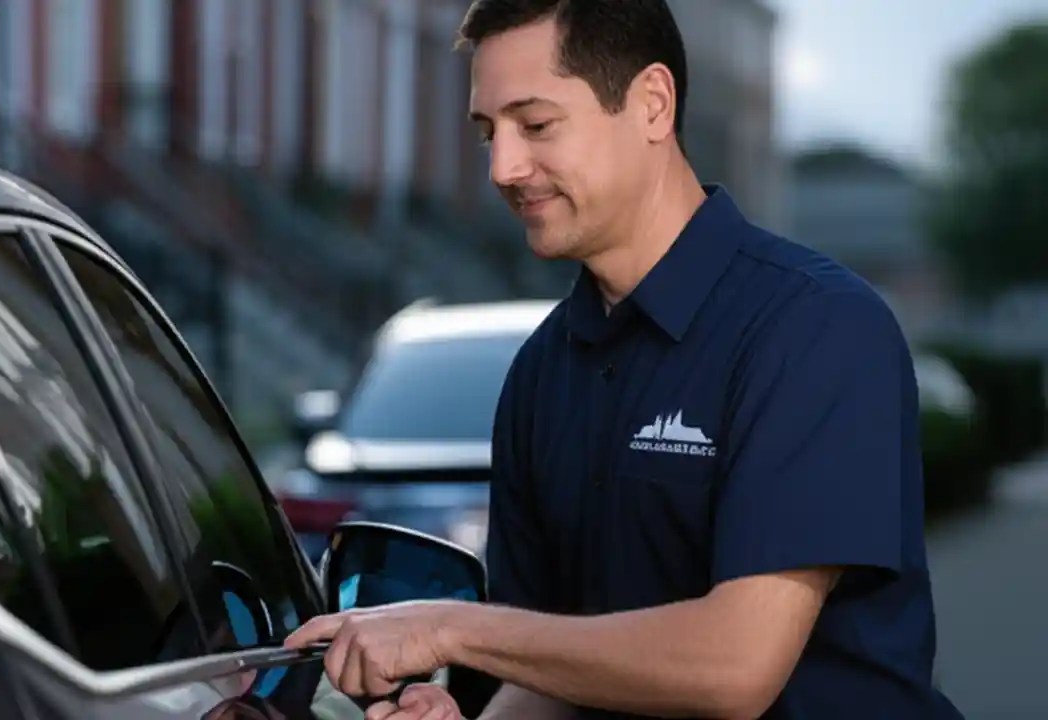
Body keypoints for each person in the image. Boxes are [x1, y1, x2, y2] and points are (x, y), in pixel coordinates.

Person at [285, 1, 966, 718]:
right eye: (489, 133)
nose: (504, 167)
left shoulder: (814, 329)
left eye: (536, 124)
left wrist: (450, 626)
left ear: (651, 104)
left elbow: (736, 668)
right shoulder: (540, 373)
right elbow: (550, 666)